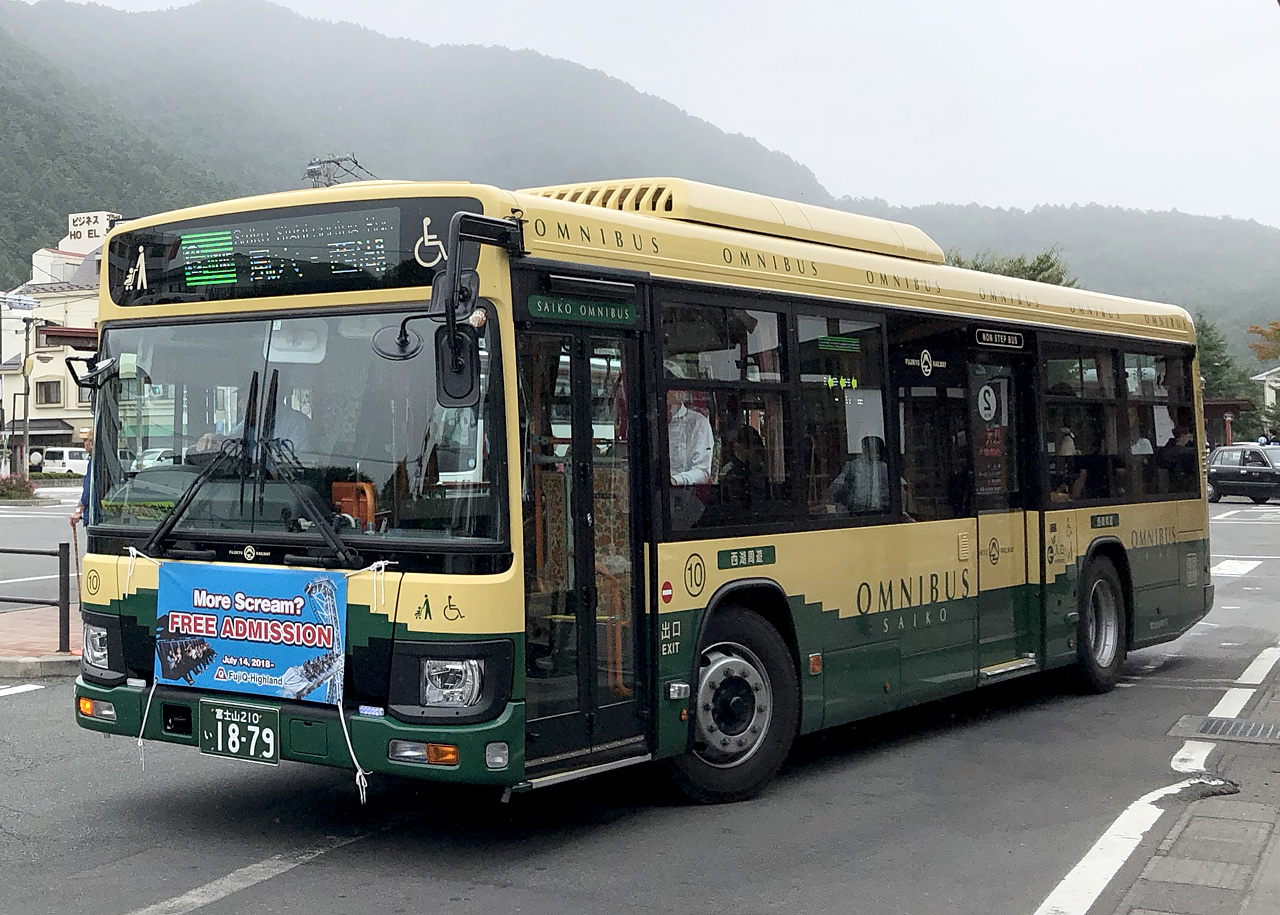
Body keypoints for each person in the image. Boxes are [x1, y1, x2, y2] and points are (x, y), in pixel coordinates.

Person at [666, 378, 713, 529]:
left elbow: (703, 472)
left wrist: (674, 480)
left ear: (681, 394)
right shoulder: (651, 420)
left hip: (685, 497)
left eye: (669, 391)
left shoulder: (697, 422)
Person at [69, 427, 93, 528]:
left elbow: (88, 489)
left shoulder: (94, 463)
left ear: (91, 443)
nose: (85, 444)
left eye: (86, 440)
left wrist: (78, 511)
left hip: (93, 514)